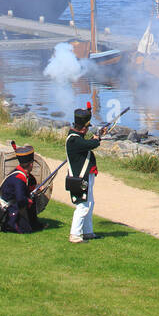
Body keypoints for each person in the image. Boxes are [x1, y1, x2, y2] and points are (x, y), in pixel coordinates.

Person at [66, 104, 102, 244]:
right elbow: (90, 144)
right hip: (80, 178)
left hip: (84, 177)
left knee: (89, 203)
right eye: (86, 127)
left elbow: (87, 143)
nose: (87, 129)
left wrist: (96, 138)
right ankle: (75, 235)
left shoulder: (76, 137)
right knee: (82, 206)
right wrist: (96, 139)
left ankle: (87, 232)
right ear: (83, 127)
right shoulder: (74, 140)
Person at [0, 144, 42, 233]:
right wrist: (29, 201)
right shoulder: (19, 177)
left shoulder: (18, 173)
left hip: (10, 204)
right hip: (8, 208)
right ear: (31, 164)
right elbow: (20, 199)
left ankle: (34, 223)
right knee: (26, 230)